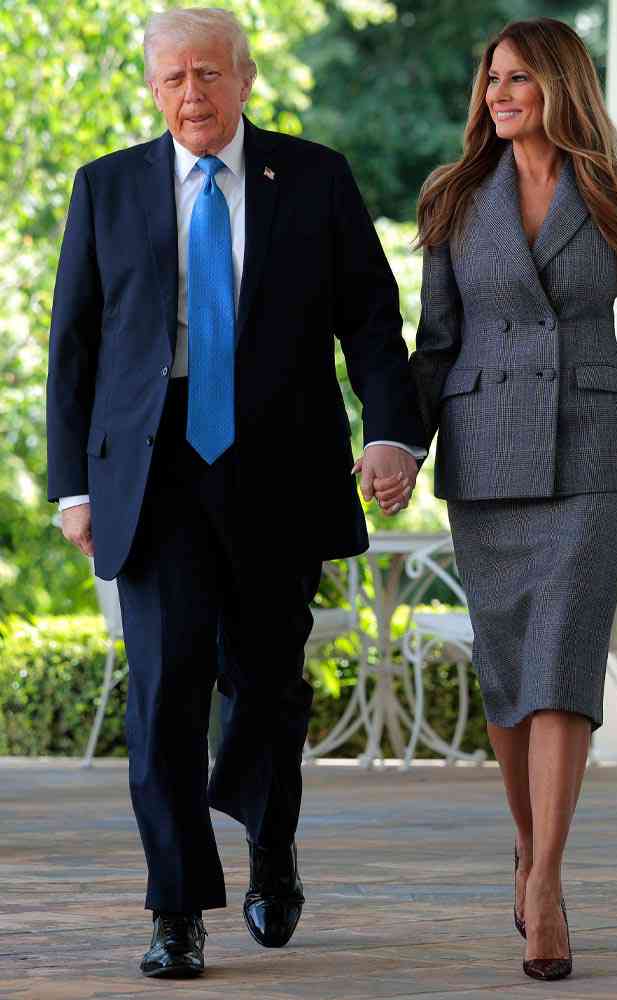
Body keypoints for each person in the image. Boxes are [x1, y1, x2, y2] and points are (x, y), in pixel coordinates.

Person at [46, 8, 424, 978]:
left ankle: (271, 845)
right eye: (172, 80)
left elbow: (374, 322)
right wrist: (71, 487)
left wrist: (390, 434)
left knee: (266, 684)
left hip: (279, 464)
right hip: (151, 466)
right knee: (164, 690)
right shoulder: (107, 189)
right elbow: (74, 351)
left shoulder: (314, 178)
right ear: (152, 89)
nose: (191, 96)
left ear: (247, 79)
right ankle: (176, 909)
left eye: (208, 75)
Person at [408, 18, 617, 982]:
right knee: (506, 669)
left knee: (563, 657)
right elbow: (435, 342)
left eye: (519, 78)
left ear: (563, 85)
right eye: (491, 78)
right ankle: (530, 853)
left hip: (596, 449)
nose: (499, 94)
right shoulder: (452, 199)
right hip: (486, 448)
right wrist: (402, 444)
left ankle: (544, 888)